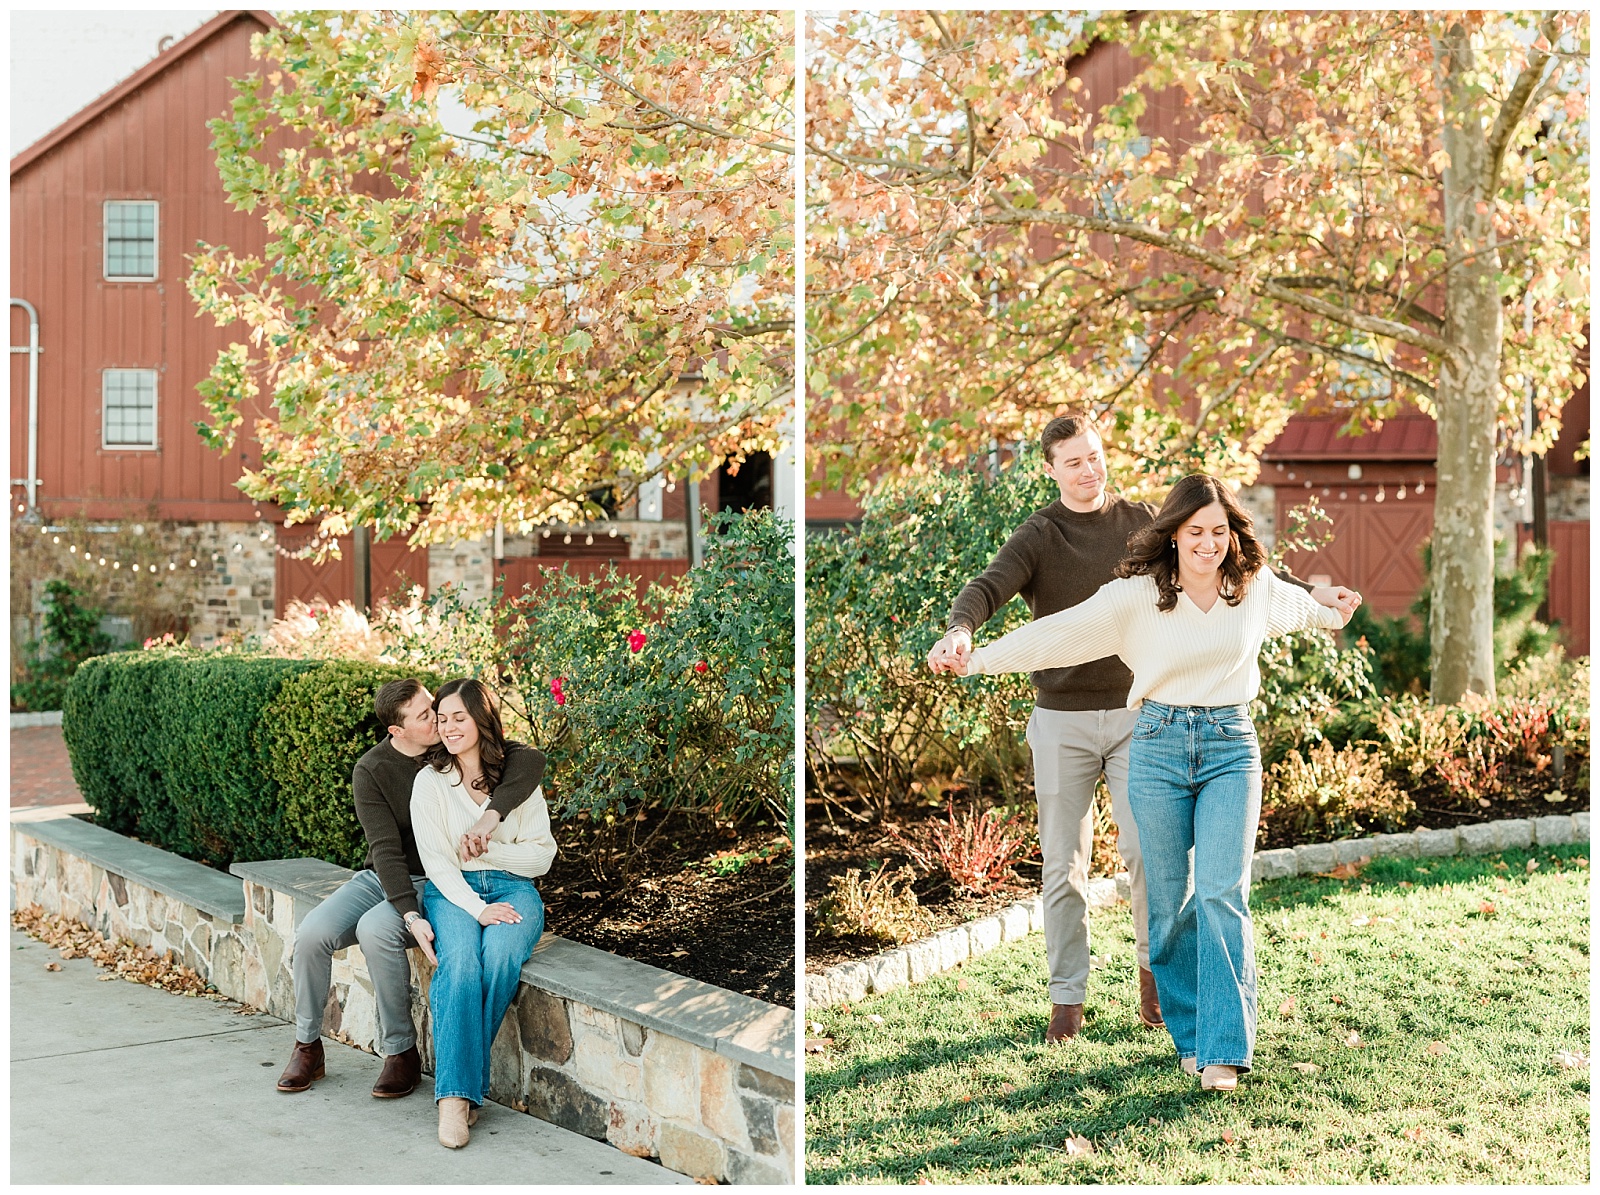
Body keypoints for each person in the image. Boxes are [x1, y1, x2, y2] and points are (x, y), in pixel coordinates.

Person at [927, 412, 1357, 1043]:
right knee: (1064, 866)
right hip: (1063, 720)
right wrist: (966, 636)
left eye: (1094, 456)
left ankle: (1156, 988)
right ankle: (1067, 1001)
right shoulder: (1041, 534)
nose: (1087, 469)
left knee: (1151, 863)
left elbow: (1242, 568)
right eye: (1072, 461)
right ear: (1050, 470)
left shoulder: (1146, 522)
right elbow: (1001, 595)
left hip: (1140, 720)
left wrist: (1315, 596)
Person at [275, 677, 546, 1099]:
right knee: (312, 933)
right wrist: (410, 912)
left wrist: (488, 821)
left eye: (435, 707)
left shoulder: (451, 749)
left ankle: (400, 1051)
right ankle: (307, 1044)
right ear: (397, 732)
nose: (439, 720)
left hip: (442, 876)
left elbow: (528, 759)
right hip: (391, 876)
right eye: (427, 716)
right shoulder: (373, 769)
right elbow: (384, 849)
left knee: (376, 930)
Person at [413, 678, 557, 1149]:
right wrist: (477, 908)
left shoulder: (517, 782)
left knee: (499, 957)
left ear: (481, 719)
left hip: (516, 891)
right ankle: (455, 1100)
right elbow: (439, 863)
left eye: (459, 717)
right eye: (442, 719)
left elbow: (541, 857)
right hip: (452, 895)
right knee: (461, 965)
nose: (449, 727)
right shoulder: (429, 783)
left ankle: (462, 1082)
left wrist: (486, 850)